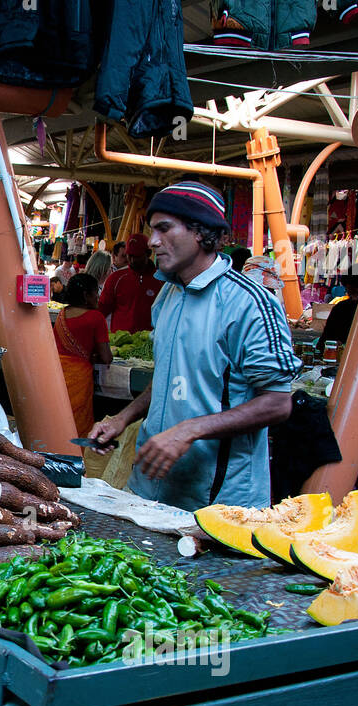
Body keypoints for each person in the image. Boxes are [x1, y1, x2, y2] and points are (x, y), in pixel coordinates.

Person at [88, 181, 300, 510]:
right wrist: (122, 418)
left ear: (201, 233)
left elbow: (277, 402)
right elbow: (167, 376)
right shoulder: (168, 296)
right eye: (151, 230)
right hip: (153, 490)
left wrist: (189, 430)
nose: (152, 241)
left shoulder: (248, 304)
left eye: (164, 229)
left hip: (218, 501)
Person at [54, 271, 113, 434]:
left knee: (58, 419)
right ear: (87, 295)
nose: (98, 297)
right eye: (96, 292)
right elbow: (106, 357)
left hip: (56, 374)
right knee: (77, 423)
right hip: (79, 378)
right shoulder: (96, 317)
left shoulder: (62, 314)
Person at [96, 232, 161, 333]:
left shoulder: (161, 280)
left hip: (149, 342)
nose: (131, 260)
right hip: (119, 343)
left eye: (136, 256)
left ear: (148, 254)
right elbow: (102, 309)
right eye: (129, 256)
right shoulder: (116, 278)